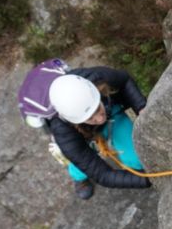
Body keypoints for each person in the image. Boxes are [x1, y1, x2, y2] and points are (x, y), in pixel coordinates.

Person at [48, 67, 152, 199]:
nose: (99, 118)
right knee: (80, 163)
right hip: (82, 134)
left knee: (137, 159)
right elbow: (102, 175)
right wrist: (147, 180)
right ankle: (79, 177)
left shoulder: (97, 78)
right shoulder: (64, 132)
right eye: (90, 117)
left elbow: (124, 80)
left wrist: (141, 106)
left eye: (97, 109)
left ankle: (134, 165)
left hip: (111, 114)